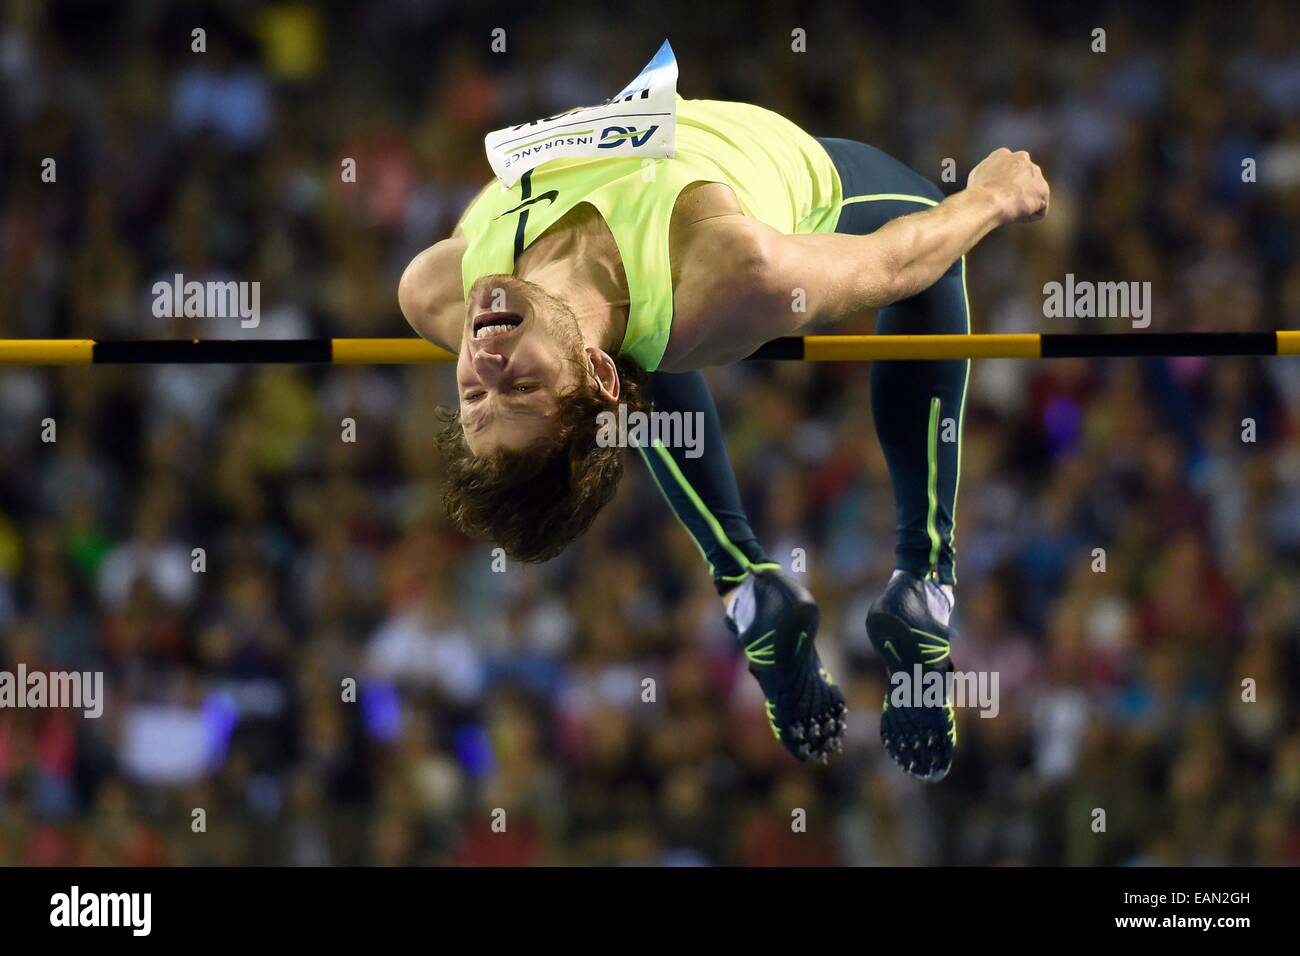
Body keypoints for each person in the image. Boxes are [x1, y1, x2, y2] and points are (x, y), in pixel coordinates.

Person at [399, 91, 1048, 781]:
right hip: (768, 181)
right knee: (932, 228)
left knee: (637, 345)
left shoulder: (437, 289)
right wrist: (990, 201)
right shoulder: (733, 268)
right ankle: (925, 575)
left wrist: (540, 381)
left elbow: (585, 378)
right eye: (521, 391)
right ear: (596, 372)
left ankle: (744, 582)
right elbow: (895, 265)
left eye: (474, 394)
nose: (488, 363)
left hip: (645, 239)